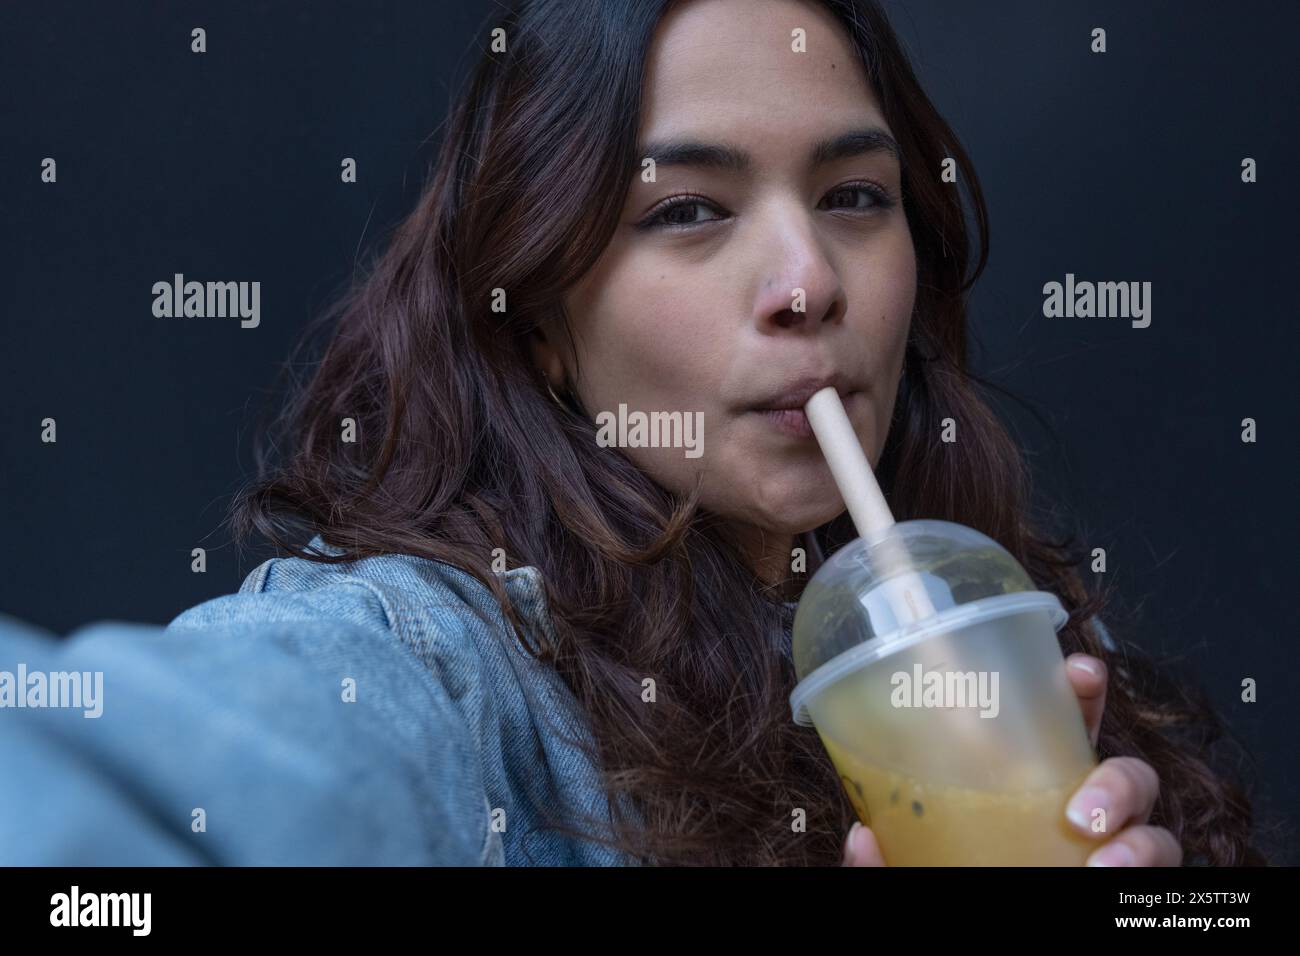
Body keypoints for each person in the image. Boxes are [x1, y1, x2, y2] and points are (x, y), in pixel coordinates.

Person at [0, 0, 1267, 866]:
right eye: (689, 210)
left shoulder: (1016, 644)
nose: (805, 279)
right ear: (540, 314)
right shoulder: (433, 666)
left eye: (854, 197)